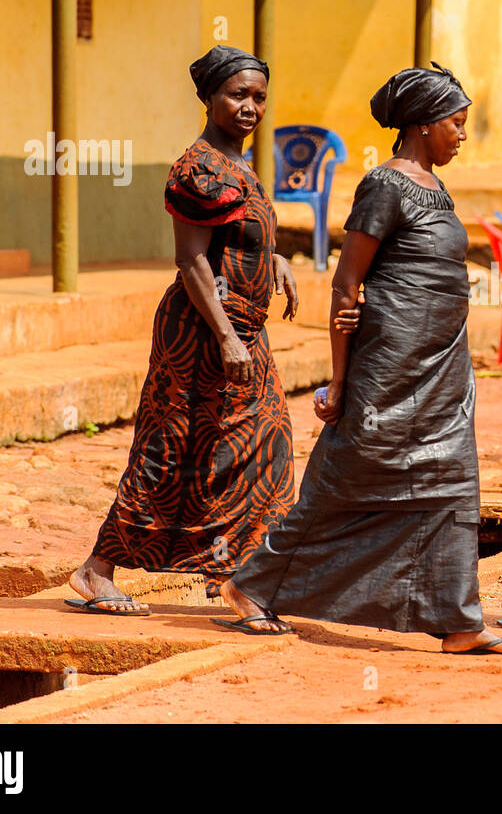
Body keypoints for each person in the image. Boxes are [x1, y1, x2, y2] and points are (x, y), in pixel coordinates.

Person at [217, 63, 502, 655]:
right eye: (457, 123)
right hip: (388, 366)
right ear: (423, 123)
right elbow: (346, 284)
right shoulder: (384, 185)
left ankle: (458, 620)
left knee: (451, 481)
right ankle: (252, 585)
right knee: (349, 478)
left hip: (442, 367)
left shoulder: (436, 187)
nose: (463, 134)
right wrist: (339, 379)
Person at [66, 46, 306, 615]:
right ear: (209, 98)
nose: (251, 106)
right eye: (238, 95)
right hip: (201, 334)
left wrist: (277, 260)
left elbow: (238, 238)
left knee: (255, 448)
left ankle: (237, 571)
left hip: (243, 328)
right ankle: (99, 570)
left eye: (259, 97)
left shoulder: (241, 166)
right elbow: (192, 261)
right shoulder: (199, 169)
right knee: (172, 448)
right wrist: (224, 336)